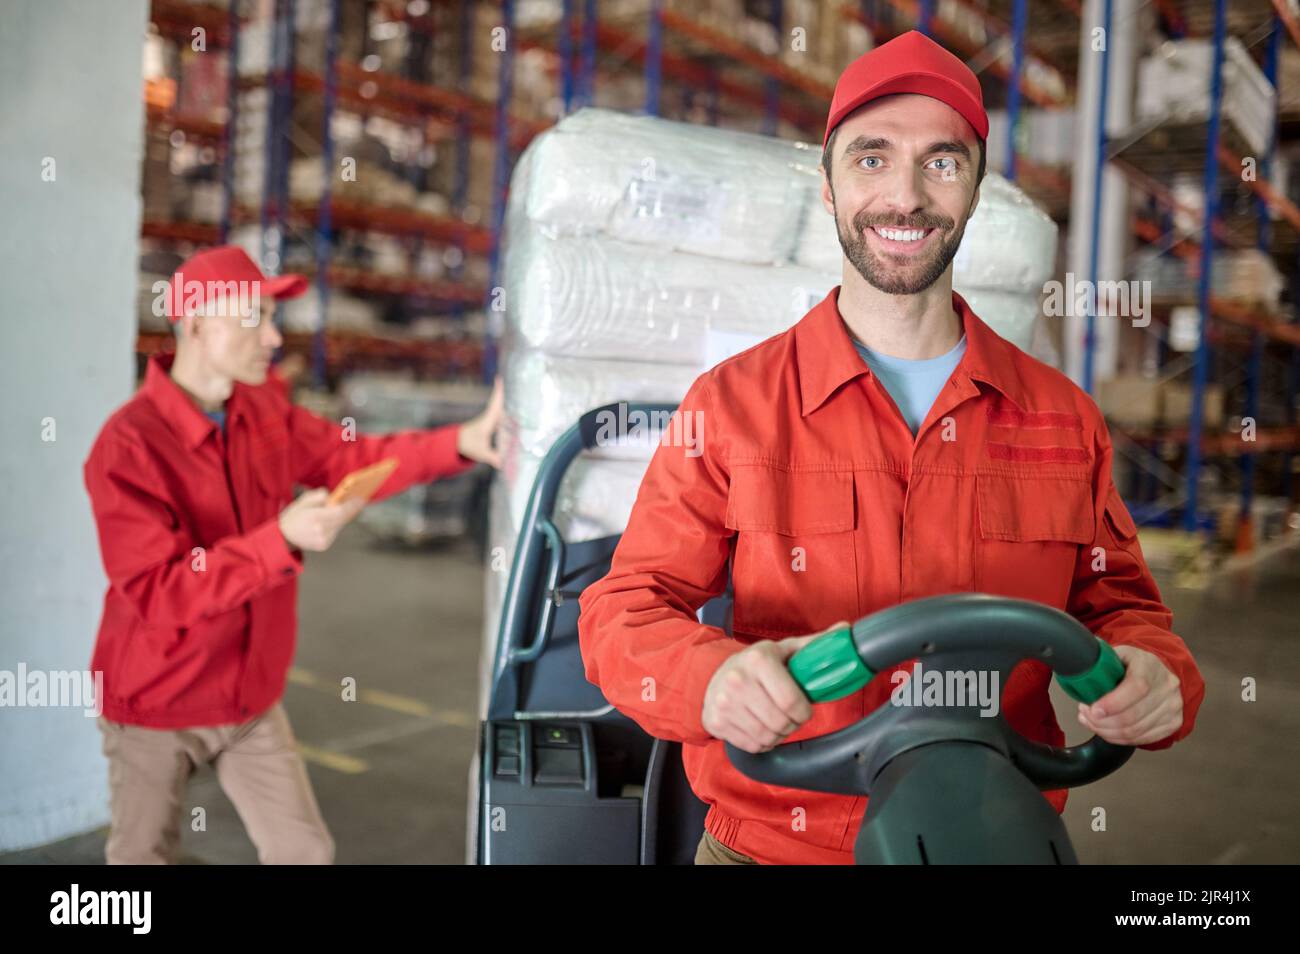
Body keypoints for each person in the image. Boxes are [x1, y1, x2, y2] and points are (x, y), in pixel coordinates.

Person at [578, 31, 1206, 866]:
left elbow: (1122, 608)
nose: (905, 197)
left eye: (941, 163)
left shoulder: (1062, 418)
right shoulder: (733, 406)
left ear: (975, 188)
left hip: (990, 836)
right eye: (872, 160)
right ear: (830, 188)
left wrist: (1159, 675)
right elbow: (625, 609)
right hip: (775, 844)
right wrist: (711, 679)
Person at [84, 245, 502, 864]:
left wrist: (459, 442)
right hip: (157, 700)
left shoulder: (260, 411)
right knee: (142, 858)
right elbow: (159, 591)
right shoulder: (128, 447)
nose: (274, 336)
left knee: (304, 852)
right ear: (198, 325)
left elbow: (347, 457)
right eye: (254, 317)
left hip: (250, 698)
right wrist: (279, 539)